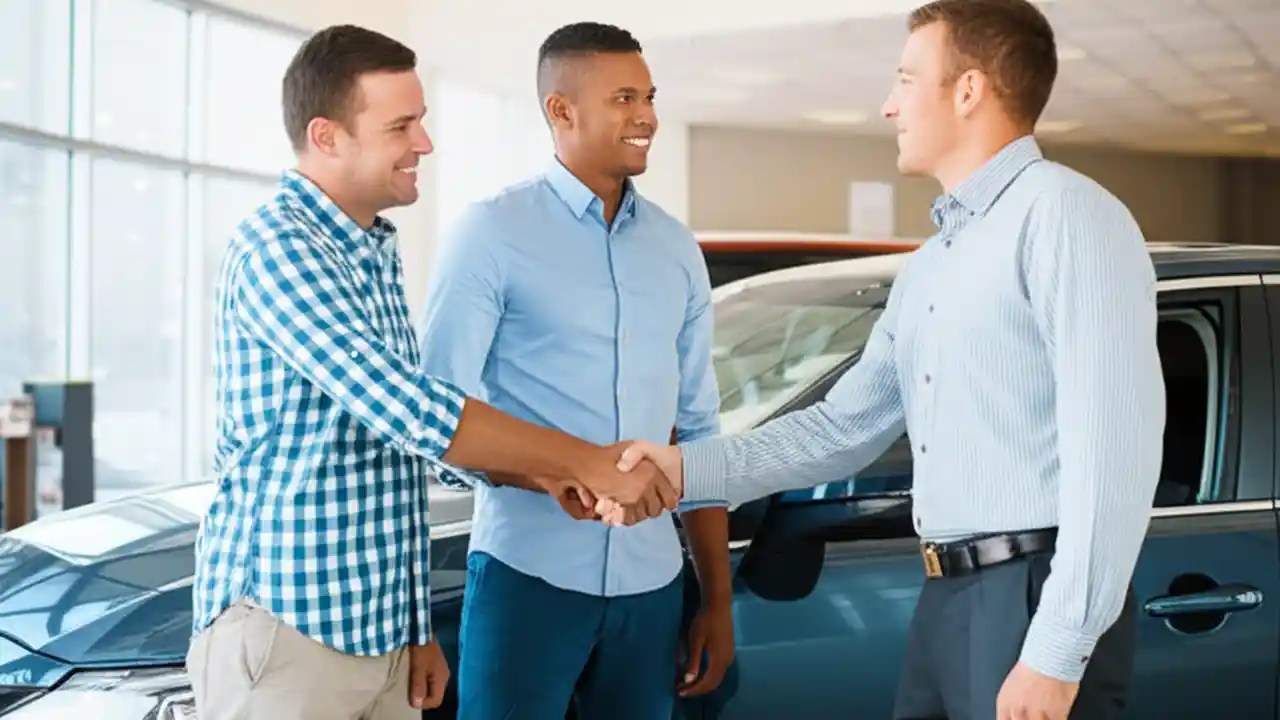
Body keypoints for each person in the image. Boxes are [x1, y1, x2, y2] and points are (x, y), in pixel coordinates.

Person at [613, 1, 1165, 719]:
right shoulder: (933, 264)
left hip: (1029, 596)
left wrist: (1057, 651)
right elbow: (842, 427)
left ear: (968, 90)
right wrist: (684, 469)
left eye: (906, 79)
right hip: (946, 595)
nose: (888, 105)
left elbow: (1113, 452)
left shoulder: (1066, 217)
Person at [188, 24, 678, 720]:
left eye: (421, 121)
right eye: (401, 126)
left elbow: (398, 460)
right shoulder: (278, 246)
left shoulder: (370, 250)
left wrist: (416, 629)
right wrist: (587, 462)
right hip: (287, 634)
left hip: (379, 638)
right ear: (327, 137)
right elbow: (407, 408)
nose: (424, 142)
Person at [416, 21, 735, 720]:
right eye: (624, 97)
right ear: (561, 111)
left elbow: (701, 430)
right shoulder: (491, 232)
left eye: (648, 96)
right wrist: (555, 474)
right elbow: (435, 417)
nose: (647, 115)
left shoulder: (678, 250)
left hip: (652, 589)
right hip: (526, 579)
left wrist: (716, 599)